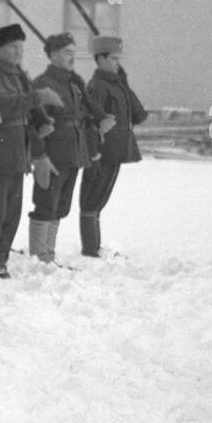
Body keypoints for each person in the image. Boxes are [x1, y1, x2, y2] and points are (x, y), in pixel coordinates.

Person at [0, 23, 53, 277]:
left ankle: (0, 259)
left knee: (11, 215)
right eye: (13, 47)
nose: (19, 52)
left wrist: (41, 121)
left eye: (21, 47)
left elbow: (27, 109)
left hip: (17, 154)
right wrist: (37, 98)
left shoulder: (18, 74)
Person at [27, 33, 115, 264]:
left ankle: (48, 255)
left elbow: (83, 115)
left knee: (61, 206)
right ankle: (39, 258)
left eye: (73, 52)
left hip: (74, 151)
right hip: (54, 152)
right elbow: (37, 123)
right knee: (46, 203)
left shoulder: (72, 83)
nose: (72, 57)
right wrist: (40, 155)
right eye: (67, 52)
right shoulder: (43, 84)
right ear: (53, 55)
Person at [81, 35, 147, 258]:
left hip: (116, 151)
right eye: (113, 59)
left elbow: (139, 115)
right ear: (99, 59)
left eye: (119, 59)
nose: (117, 63)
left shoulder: (116, 85)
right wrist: (94, 154)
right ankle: (90, 248)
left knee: (100, 199)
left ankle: (93, 247)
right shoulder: (97, 87)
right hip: (103, 152)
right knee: (92, 199)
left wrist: (125, 83)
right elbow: (90, 123)